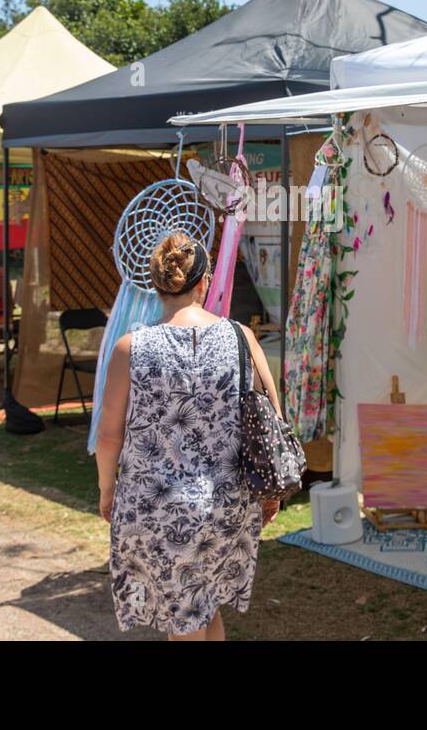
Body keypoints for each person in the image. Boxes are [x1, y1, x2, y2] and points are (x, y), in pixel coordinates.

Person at [96, 231, 281, 641]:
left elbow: (108, 436)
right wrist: (271, 491)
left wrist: (107, 490)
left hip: (157, 508)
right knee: (204, 606)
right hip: (228, 503)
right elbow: (271, 418)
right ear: (204, 282)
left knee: (184, 621)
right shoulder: (242, 337)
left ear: (156, 285)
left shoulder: (130, 348)